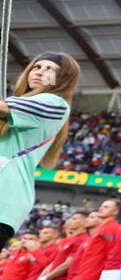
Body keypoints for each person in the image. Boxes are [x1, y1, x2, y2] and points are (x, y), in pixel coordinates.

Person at [0, 53, 78, 245]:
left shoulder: (55, 103)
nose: (40, 72)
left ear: (62, 78)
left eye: (49, 69)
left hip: (5, 196)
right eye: (37, 67)